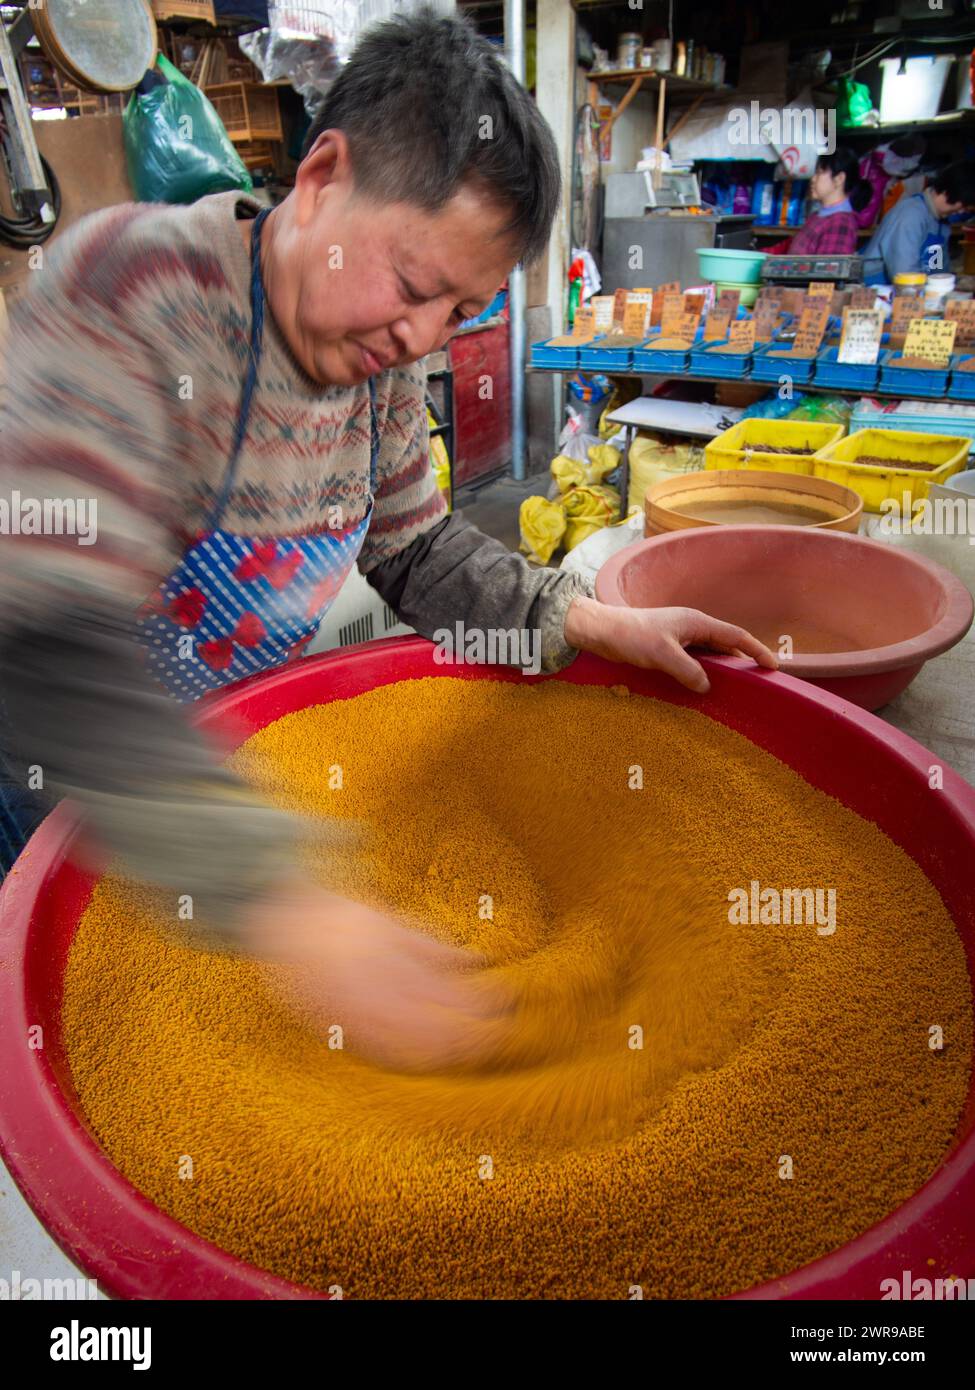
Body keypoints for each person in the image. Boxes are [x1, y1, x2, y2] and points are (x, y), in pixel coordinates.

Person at [0, 9, 776, 1070]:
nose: (420, 337)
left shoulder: (378, 375)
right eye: (414, 288)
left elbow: (418, 552)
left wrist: (590, 617)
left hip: (219, 784)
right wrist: (292, 909)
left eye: (458, 311)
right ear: (320, 178)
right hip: (58, 778)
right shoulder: (137, 290)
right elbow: (43, 641)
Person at [861, 160, 975, 283]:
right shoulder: (910, 215)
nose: (961, 212)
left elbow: (937, 271)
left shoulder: (941, 224)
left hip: (917, 291)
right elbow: (904, 273)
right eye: (963, 206)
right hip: (879, 289)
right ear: (946, 192)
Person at [778, 147, 870, 257]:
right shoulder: (817, 216)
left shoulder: (840, 224)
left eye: (819, 173)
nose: (813, 179)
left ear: (839, 179)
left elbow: (829, 272)